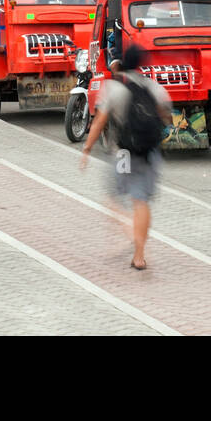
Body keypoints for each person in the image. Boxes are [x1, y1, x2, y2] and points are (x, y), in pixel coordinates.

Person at [79, 44, 171, 271]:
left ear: (120, 63)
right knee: (141, 201)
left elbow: (99, 121)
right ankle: (139, 255)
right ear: (142, 64)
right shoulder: (154, 87)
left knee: (114, 195)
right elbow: (166, 117)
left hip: (123, 152)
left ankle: (128, 231)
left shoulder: (112, 87)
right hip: (149, 152)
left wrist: (87, 149)